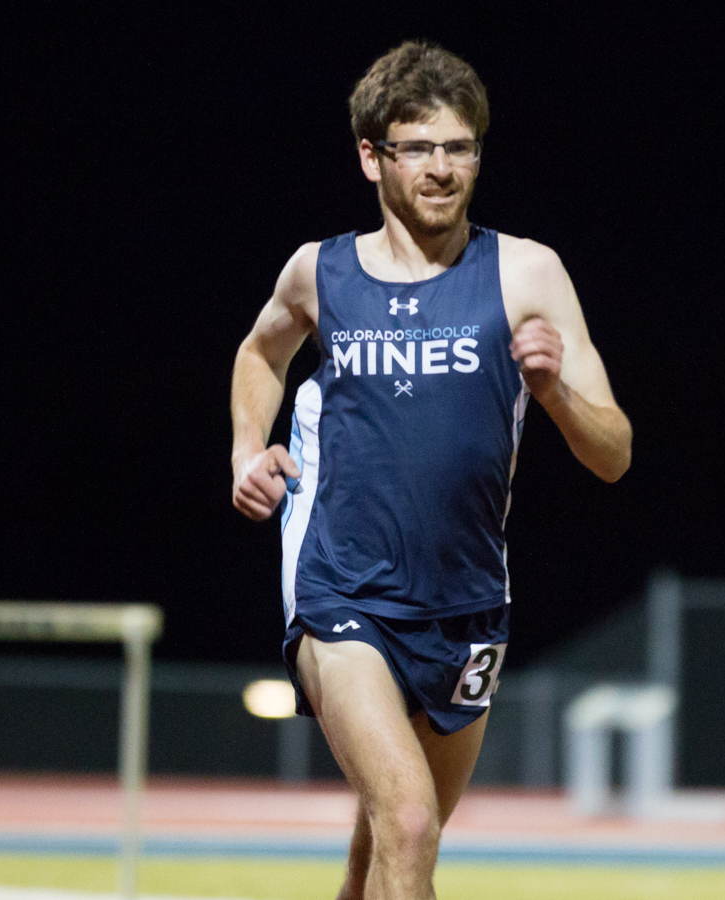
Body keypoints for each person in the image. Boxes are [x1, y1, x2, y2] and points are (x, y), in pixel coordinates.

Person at [229, 42, 630, 899]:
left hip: (469, 607)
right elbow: (260, 354)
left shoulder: (526, 272)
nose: (443, 168)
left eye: (461, 147)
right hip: (344, 592)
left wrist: (555, 389)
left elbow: (613, 453)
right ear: (372, 157)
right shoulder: (320, 270)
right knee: (407, 819)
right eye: (420, 147)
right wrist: (244, 450)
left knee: (394, 841)